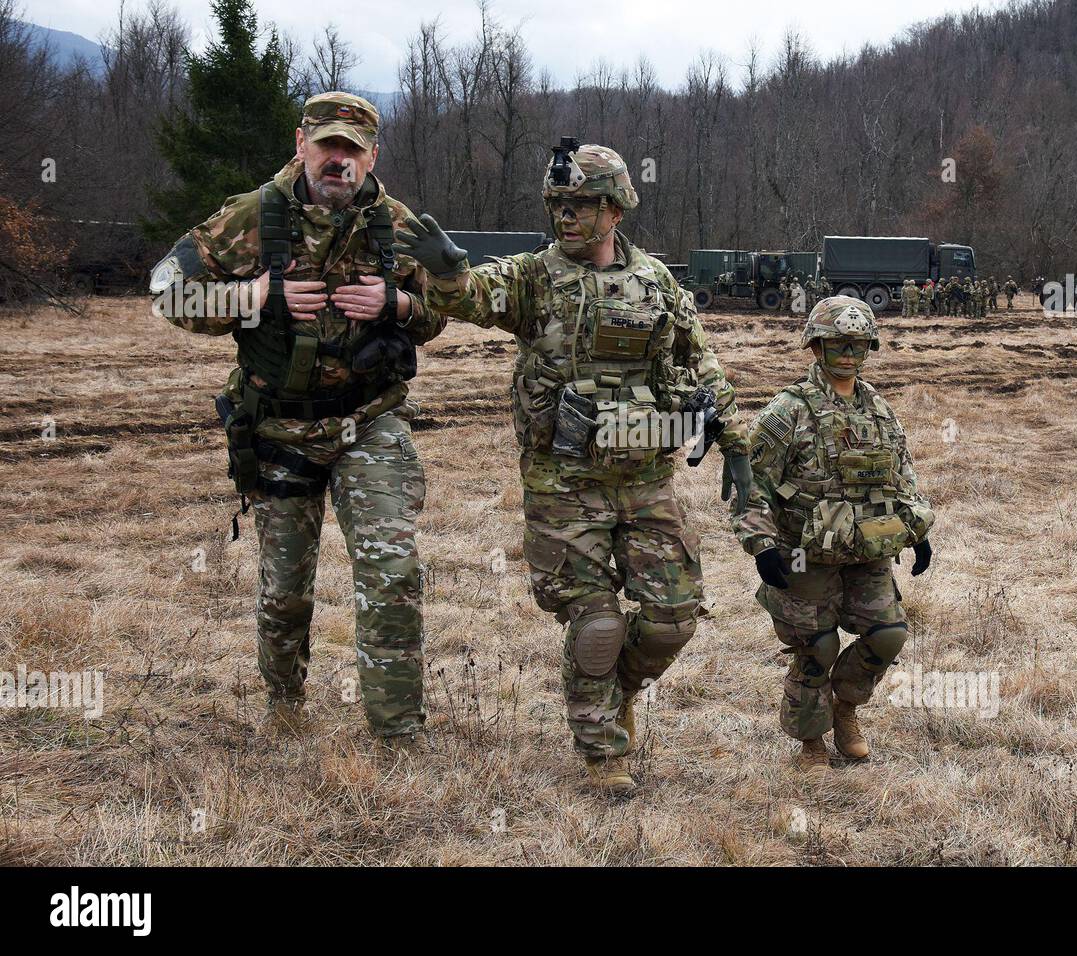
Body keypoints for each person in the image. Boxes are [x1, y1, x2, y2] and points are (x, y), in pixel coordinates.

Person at [395, 139, 750, 794]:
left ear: (616, 208)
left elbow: (702, 365)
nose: (567, 215)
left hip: (646, 482)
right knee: (598, 622)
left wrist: (736, 445)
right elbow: (471, 297)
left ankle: (615, 692)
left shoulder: (658, 284)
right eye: (559, 204)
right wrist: (445, 273)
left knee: (673, 617)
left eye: (582, 204)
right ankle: (602, 751)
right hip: (564, 485)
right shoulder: (533, 278)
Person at [149, 92, 443, 746]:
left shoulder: (396, 226)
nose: (338, 160)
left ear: (373, 155)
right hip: (281, 426)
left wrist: (396, 304)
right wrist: (251, 295)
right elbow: (166, 291)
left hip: (369, 421)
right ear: (302, 142)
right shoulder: (253, 219)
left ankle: (398, 734)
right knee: (285, 592)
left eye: (352, 149)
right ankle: (285, 705)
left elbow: (436, 315)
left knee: (392, 574)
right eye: (327, 145)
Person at [732, 296, 933, 774]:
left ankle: (845, 709)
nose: (848, 353)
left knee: (888, 635)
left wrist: (915, 529)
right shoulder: (788, 411)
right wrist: (761, 545)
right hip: (804, 554)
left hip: (866, 548)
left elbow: (902, 478)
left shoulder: (880, 410)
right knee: (817, 647)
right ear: (816, 346)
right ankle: (811, 741)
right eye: (838, 343)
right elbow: (751, 486)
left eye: (857, 344)